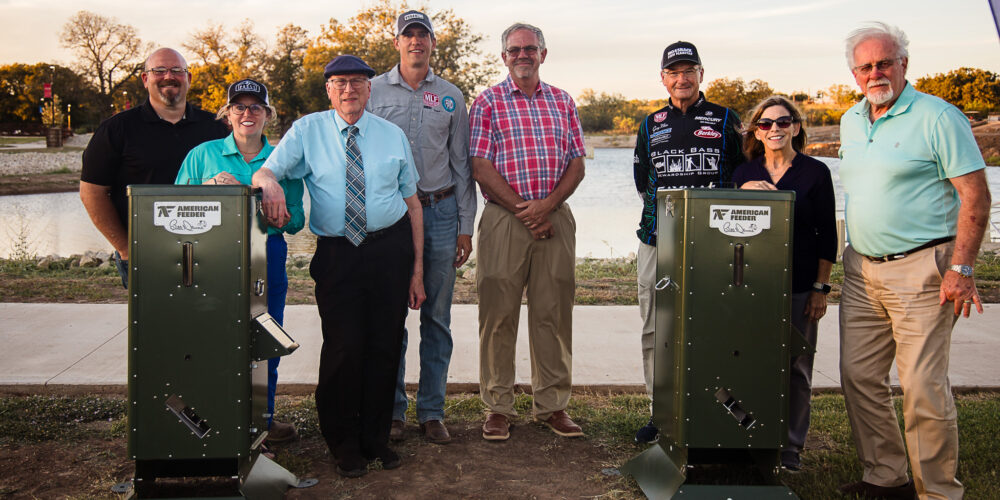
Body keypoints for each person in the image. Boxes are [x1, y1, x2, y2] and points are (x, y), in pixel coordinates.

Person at [837, 22, 991, 499]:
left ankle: (938, 491)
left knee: (923, 386)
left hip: (923, 269)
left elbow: (976, 196)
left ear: (904, 63)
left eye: (884, 63)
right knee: (859, 377)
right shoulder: (850, 120)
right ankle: (886, 478)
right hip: (861, 270)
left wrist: (961, 268)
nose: (875, 73)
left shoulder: (938, 117)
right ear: (854, 73)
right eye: (865, 66)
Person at [252, 55, 425, 479]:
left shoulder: (391, 135)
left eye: (357, 82)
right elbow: (266, 171)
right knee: (344, 347)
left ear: (370, 89)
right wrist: (269, 182)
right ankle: (343, 442)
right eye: (340, 83)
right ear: (329, 90)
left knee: (385, 345)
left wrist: (417, 270)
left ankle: (375, 438)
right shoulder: (307, 131)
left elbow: (413, 203)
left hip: (390, 250)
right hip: (338, 254)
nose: (349, 89)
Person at [469, 22, 586, 441]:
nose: (523, 55)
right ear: (504, 57)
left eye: (530, 48)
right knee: (498, 315)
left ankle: (552, 404)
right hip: (504, 219)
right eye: (515, 49)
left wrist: (547, 206)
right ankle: (498, 406)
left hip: (555, 217)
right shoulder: (487, 102)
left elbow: (577, 163)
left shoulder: (562, 101)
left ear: (543, 54)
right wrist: (526, 210)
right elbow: (480, 166)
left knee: (552, 313)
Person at [174, 79, 305, 450]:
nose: (248, 114)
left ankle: (262, 421)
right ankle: (218, 420)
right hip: (214, 259)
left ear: (268, 115)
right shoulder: (202, 155)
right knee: (215, 340)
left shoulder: (283, 159)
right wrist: (208, 190)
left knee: (265, 340)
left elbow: (297, 220)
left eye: (256, 107)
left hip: (267, 255)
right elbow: (173, 209)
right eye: (239, 107)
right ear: (227, 114)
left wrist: (278, 214)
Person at [367, 10, 474, 445]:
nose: (416, 41)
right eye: (408, 35)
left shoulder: (451, 96)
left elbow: (462, 163)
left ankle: (432, 411)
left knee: (437, 317)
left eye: (422, 35)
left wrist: (466, 225)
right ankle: (393, 411)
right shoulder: (372, 90)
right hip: (391, 216)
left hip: (441, 210)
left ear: (432, 42)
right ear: (396, 42)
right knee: (391, 315)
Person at [631, 41, 745, 444]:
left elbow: (742, 175)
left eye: (688, 71)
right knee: (655, 329)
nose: (682, 79)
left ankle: (718, 410)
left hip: (713, 244)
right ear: (663, 79)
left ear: (701, 74)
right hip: (656, 240)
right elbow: (642, 180)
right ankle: (660, 412)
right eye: (674, 72)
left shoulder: (726, 119)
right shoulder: (651, 124)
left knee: (716, 328)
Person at [732, 95, 836, 472]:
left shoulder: (815, 173)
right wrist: (740, 193)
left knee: (796, 368)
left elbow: (827, 235)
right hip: (752, 288)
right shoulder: (743, 174)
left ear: (796, 127)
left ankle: (790, 447)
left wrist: (820, 289)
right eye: (765, 123)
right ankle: (750, 439)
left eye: (782, 122)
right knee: (750, 364)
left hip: (800, 286)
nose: (774, 128)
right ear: (756, 132)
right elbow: (730, 229)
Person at [80, 47, 229, 288]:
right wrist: (125, 248)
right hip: (144, 253)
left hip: (210, 252)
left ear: (189, 78)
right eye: (159, 70)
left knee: (211, 311)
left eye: (177, 70)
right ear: (145, 79)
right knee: (154, 313)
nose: (168, 76)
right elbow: (92, 193)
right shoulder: (116, 129)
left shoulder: (217, 128)